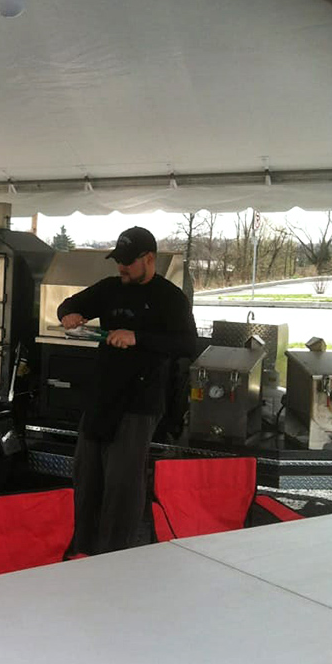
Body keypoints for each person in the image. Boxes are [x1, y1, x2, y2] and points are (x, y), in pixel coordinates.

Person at [57, 226, 197, 555]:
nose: (121, 267)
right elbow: (67, 304)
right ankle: (83, 548)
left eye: (127, 262)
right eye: (118, 260)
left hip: (139, 403)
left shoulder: (170, 298)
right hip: (101, 397)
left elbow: (188, 344)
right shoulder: (109, 289)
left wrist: (138, 337)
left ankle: (116, 556)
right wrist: (69, 314)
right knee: (86, 476)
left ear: (149, 259)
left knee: (122, 483)